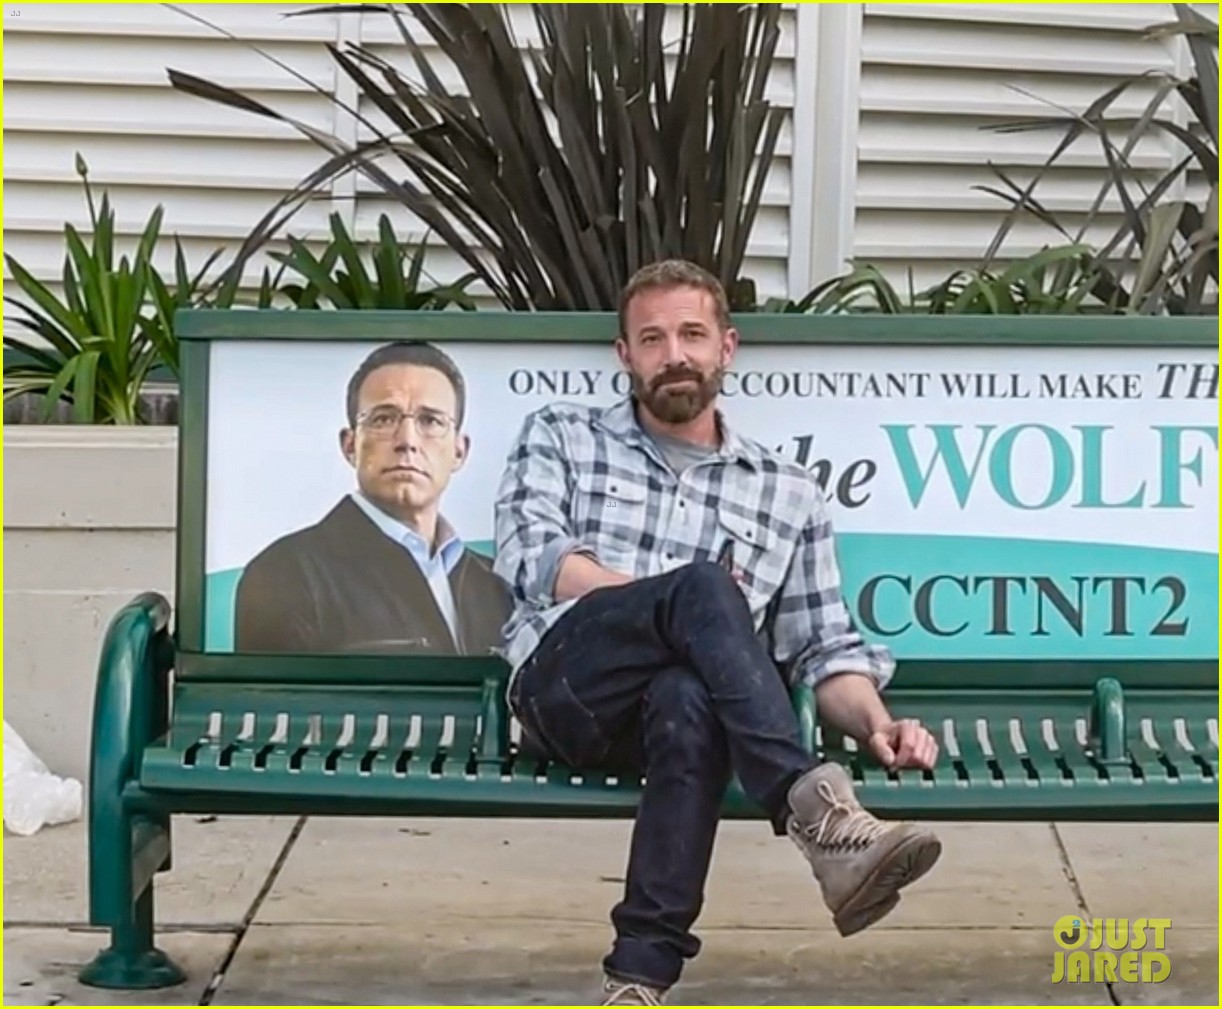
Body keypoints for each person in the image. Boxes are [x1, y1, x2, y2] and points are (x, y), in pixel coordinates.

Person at [493, 260, 943, 1006]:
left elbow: (822, 643)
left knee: (688, 696)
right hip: (567, 686)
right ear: (624, 355)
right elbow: (533, 556)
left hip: (669, 721)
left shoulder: (787, 491)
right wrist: (672, 600)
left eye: (692, 334)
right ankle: (821, 818)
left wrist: (877, 724)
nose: (674, 353)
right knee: (702, 587)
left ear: (726, 347)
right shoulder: (560, 434)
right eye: (653, 337)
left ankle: (638, 977)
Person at [235, 341, 510, 656]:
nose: (407, 441)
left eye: (430, 421)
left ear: (460, 451)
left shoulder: (498, 584)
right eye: (383, 419)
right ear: (350, 445)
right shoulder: (285, 574)